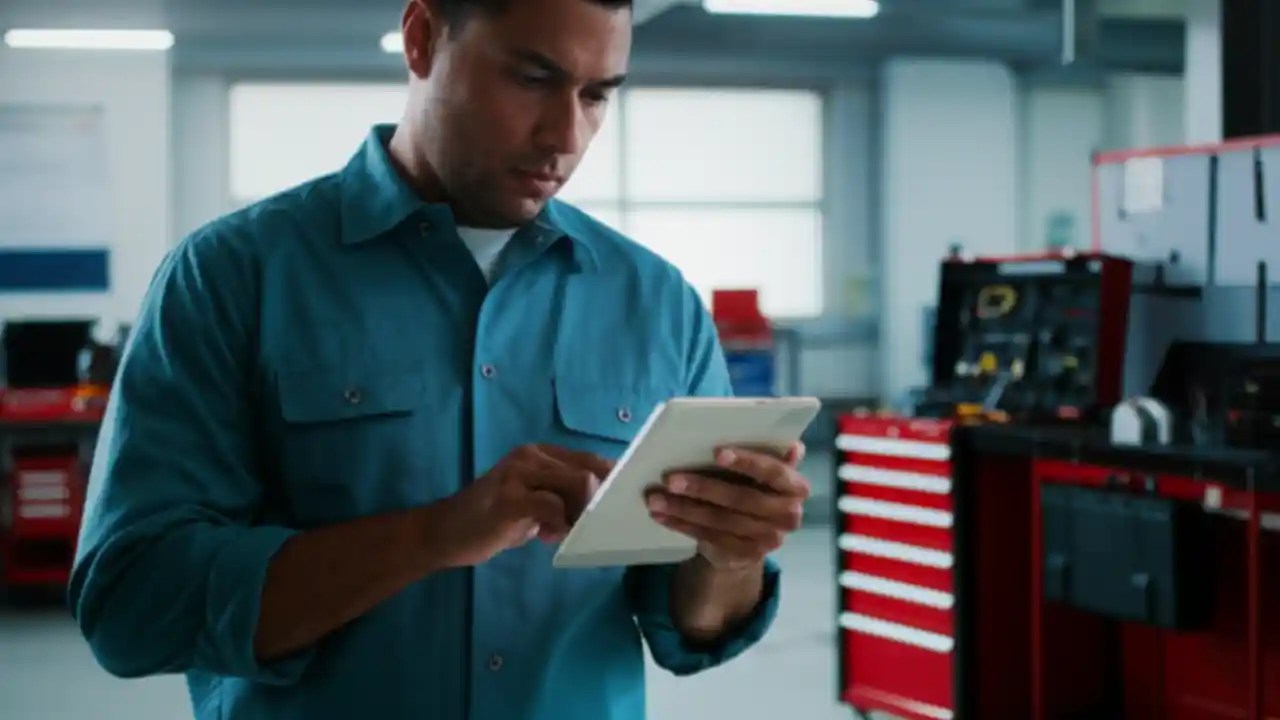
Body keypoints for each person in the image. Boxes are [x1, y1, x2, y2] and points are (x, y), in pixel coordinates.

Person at [69, 0, 813, 718]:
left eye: (596, 95)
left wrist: (731, 554)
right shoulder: (231, 277)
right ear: (423, 38)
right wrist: (435, 533)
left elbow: (691, 625)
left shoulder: (656, 303)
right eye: (532, 79)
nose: (566, 134)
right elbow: (133, 607)